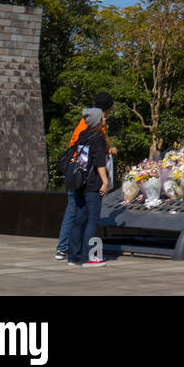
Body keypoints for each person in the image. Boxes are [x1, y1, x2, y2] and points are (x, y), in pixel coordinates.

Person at [55, 92, 116, 259]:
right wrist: (104, 180)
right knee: (79, 212)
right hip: (82, 171)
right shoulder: (95, 124)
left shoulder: (87, 120)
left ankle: (67, 249)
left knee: (74, 210)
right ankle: (70, 249)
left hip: (75, 168)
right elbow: (93, 154)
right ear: (108, 108)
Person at [67, 107, 110, 267]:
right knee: (92, 220)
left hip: (79, 182)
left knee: (79, 218)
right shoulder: (98, 137)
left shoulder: (82, 136)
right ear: (98, 121)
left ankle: (73, 256)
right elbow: (99, 162)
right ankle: (88, 258)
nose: (105, 120)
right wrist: (105, 182)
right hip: (92, 184)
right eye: (103, 118)